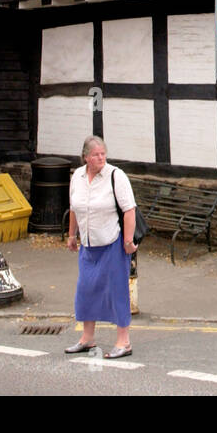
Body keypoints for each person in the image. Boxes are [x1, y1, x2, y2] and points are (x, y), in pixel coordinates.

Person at [64, 135, 136, 359]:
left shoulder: (116, 176)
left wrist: (128, 240)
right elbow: (75, 207)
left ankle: (124, 342)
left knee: (117, 293)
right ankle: (87, 339)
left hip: (112, 243)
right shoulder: (77, 176)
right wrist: (71, 235)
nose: (100, 158)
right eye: (96, 155)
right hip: (88, 245)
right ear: (85, 157)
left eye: (103, 153)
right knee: (86, 291)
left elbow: (129, 210)